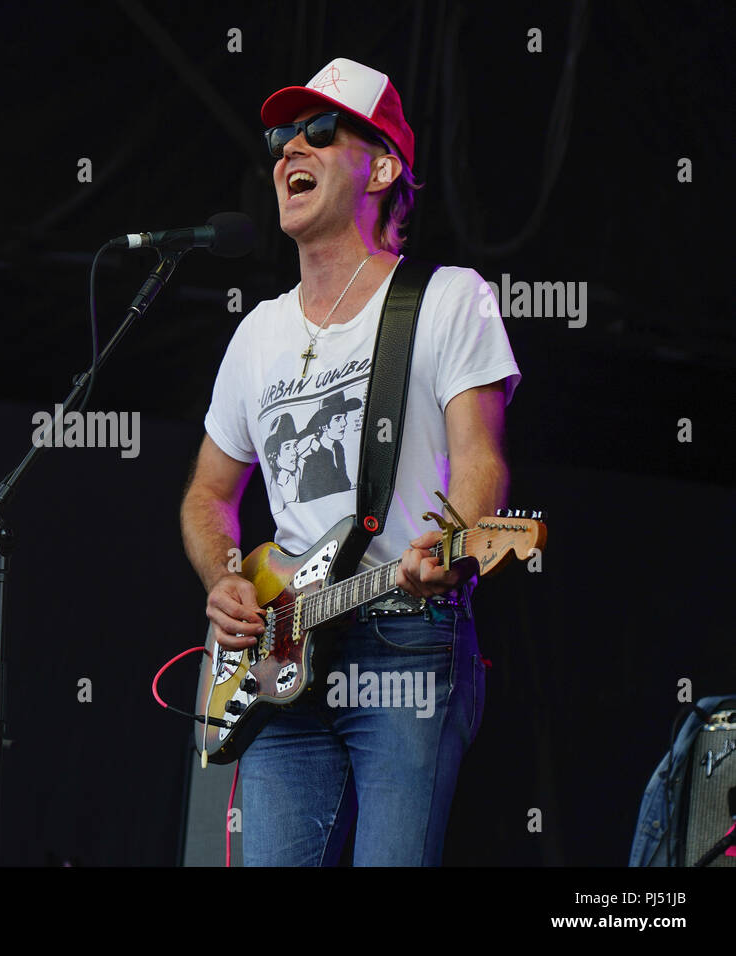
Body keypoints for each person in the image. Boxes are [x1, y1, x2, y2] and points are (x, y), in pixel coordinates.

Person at [180, 57, 520, 866]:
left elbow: (482, 461)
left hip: (403, 641)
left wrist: (451, 541)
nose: (288, 151)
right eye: (279, 139)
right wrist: (224, 576)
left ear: (384, 166)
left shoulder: (446, 298)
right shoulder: (257, 333)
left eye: (319, 133)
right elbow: (207, 492)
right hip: (281, 650)